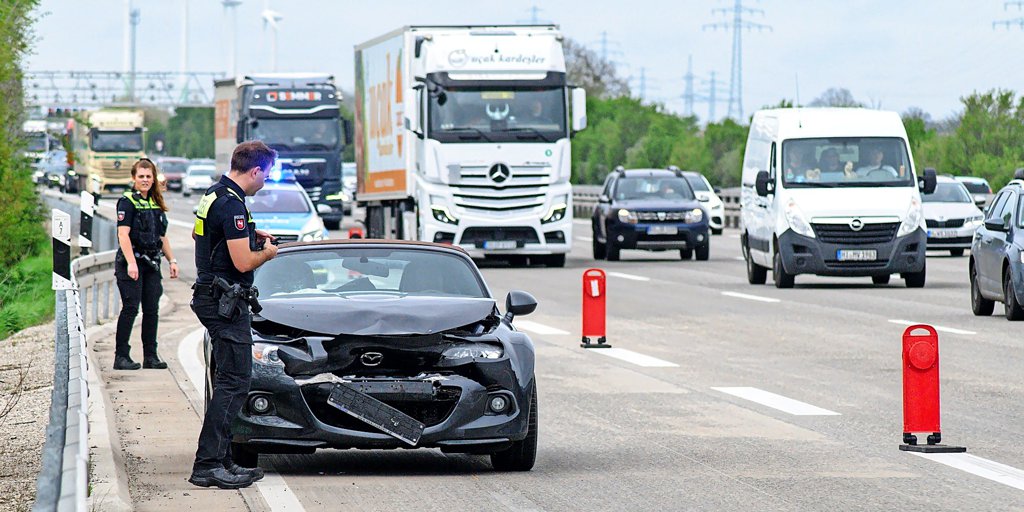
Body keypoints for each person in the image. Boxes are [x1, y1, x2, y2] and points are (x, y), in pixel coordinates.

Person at [188, 141, 279, 490]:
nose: (265, 183)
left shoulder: (216, 194)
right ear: (254, 171)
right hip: (223, 301)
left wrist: (249, 234)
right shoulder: (232, 205)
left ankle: (222, 459)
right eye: (266, 177)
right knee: (235, 381)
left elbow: (213, 234)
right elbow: (242, 262)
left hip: (213, 295)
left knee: (230, 380)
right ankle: (208, 465)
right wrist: (266, 253)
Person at [113, 158, 178, 371]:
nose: (145, 180)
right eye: (141, 176)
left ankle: (151, 356)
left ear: (153, 179)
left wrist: (172, 260)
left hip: (151, 264)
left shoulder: (155, 202)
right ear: (134, 178)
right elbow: (123, 235)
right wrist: (131, 263)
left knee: (152, 310)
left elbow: (162, 237)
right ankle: (121, 356)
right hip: (131, 263)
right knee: (131, 308)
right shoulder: (127, 202)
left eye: (148, 176)